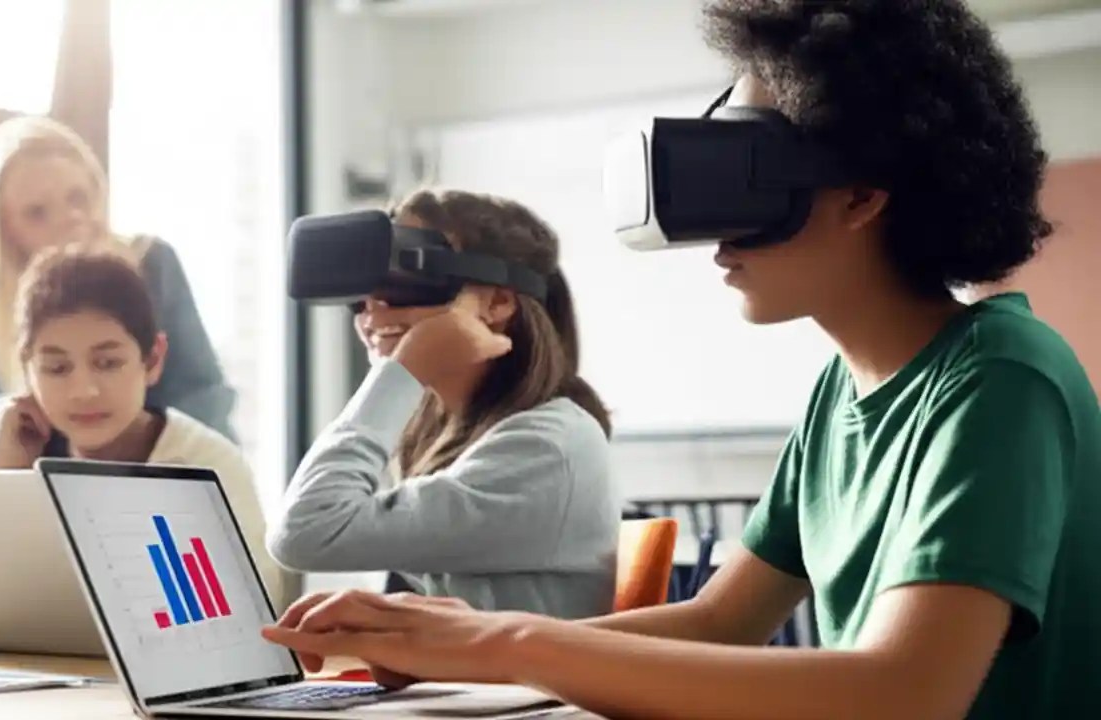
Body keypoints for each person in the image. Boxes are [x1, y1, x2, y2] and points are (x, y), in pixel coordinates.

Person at [260, 2, 1101, 718]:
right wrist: (451, 646)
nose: (715, 232)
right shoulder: (839, 397)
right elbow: (715, 622)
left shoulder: (1001, 374)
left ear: (862, 195)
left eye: (747, 174)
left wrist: (500, 638)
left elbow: (903, 694)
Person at [0, 246, 286, 635]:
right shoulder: (11, 441)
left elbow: (256, 620)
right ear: (27, 368)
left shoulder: (207, 463)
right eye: (56, 368)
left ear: (153, 359)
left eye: (108, 363)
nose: (83, 390)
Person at [266, 189, 622, 619]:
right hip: (480, 685)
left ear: (498, 301)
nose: (373, 310)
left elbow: (304, 533)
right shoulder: (447, 434)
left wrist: (401, 373)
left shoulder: (547, 446)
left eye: (403, 282)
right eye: (360, 295)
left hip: (538, 689)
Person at [0, 115, 235, 471]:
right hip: (49, 501)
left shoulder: (151, 264)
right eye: (37, 213)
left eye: (78, 198)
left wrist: (199, 486)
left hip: (156, 484)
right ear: (7, 232)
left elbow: (202, 396)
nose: (70, 219)